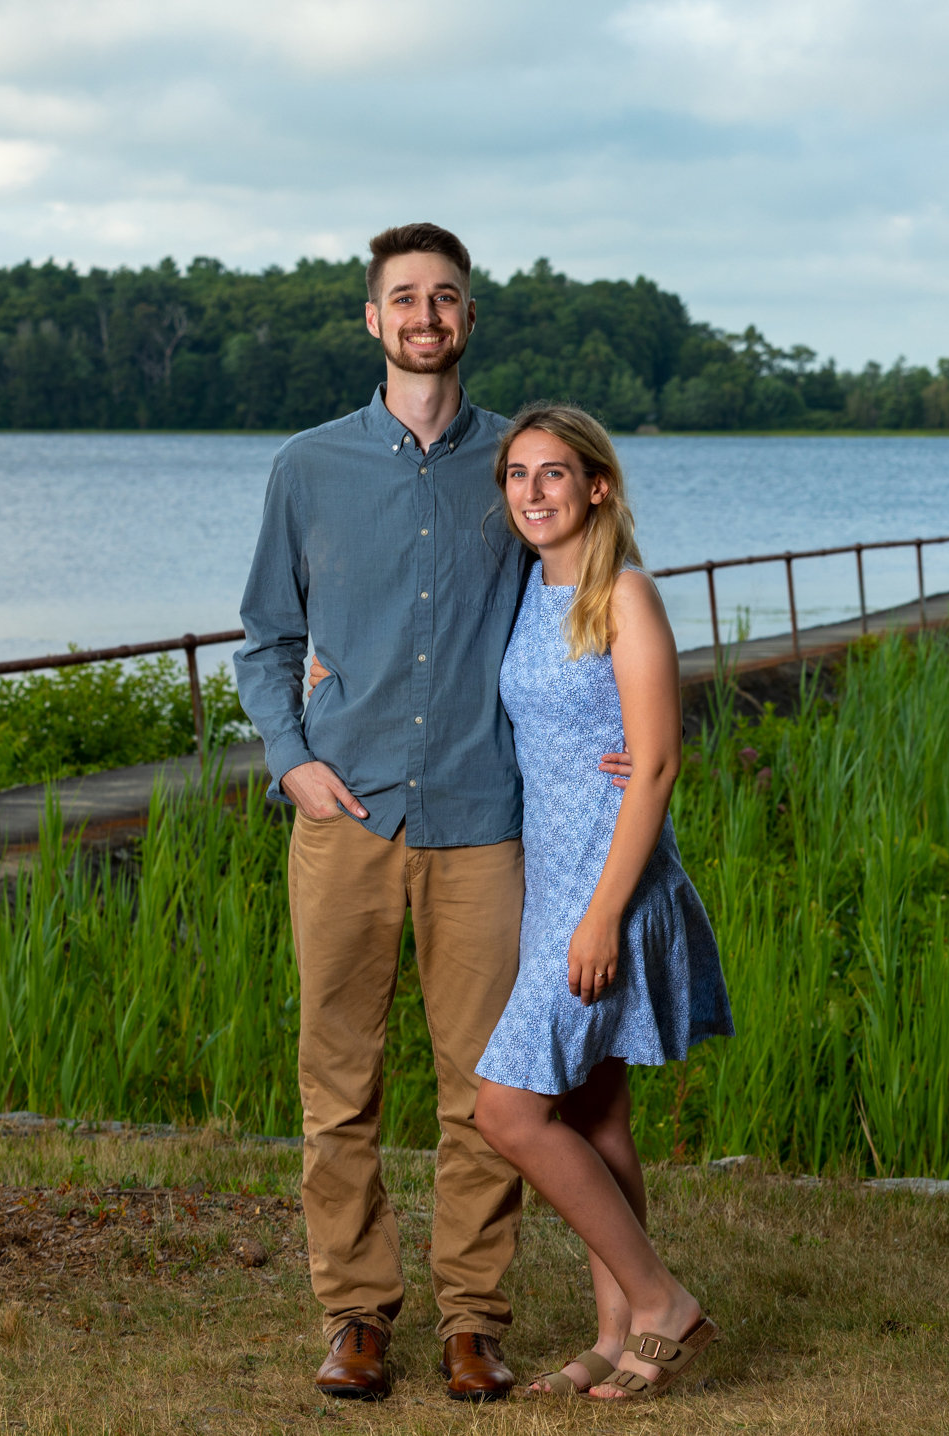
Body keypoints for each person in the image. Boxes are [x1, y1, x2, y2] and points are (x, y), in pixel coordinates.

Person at [233, 223, 628, 1404]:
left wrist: (623, 730)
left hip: (483, 816)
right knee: (337, 1081)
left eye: (444, 296)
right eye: (403, 297)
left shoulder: (521, 464)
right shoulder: (306, 467)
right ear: (373, 318)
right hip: (343, 816)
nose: (424, 315)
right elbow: (266, 639)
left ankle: (474, 1320)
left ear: (468, 317)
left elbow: (594, 594)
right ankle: (355, 1314)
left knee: (483, 1087)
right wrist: (291, 760)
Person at [469, 404, 734, 1402]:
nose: (533, 491)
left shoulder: (625, 592)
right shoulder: (532, 588)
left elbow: (656, 762)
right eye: (517, 474)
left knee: (506, 1109)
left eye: (554, 473)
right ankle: (616, 1331)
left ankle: (663, 1301)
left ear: (598, 486)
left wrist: (602, 914)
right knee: (594, 1112)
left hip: (608, 885)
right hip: (553, 879)